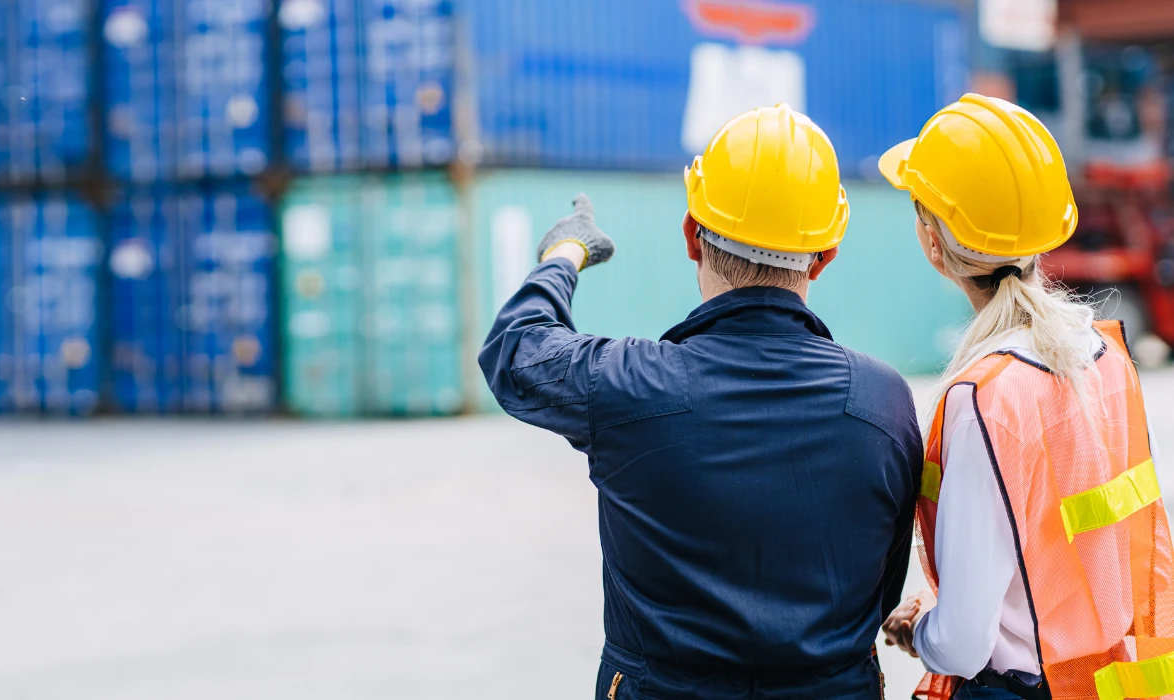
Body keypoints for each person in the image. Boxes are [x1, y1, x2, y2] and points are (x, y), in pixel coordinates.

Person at [479, 105, 922, 700]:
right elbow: (882, 582)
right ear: (826, 253)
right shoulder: (883, 403)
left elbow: (516, 349)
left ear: (692, 235)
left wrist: (565, 255)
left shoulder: (627, 385)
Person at [878, 94, 1172, 700]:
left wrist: (919, 634)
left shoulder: (983, 396)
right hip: (1106, 682)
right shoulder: (1107, 355)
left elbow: (962, 641)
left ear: (934, 243)